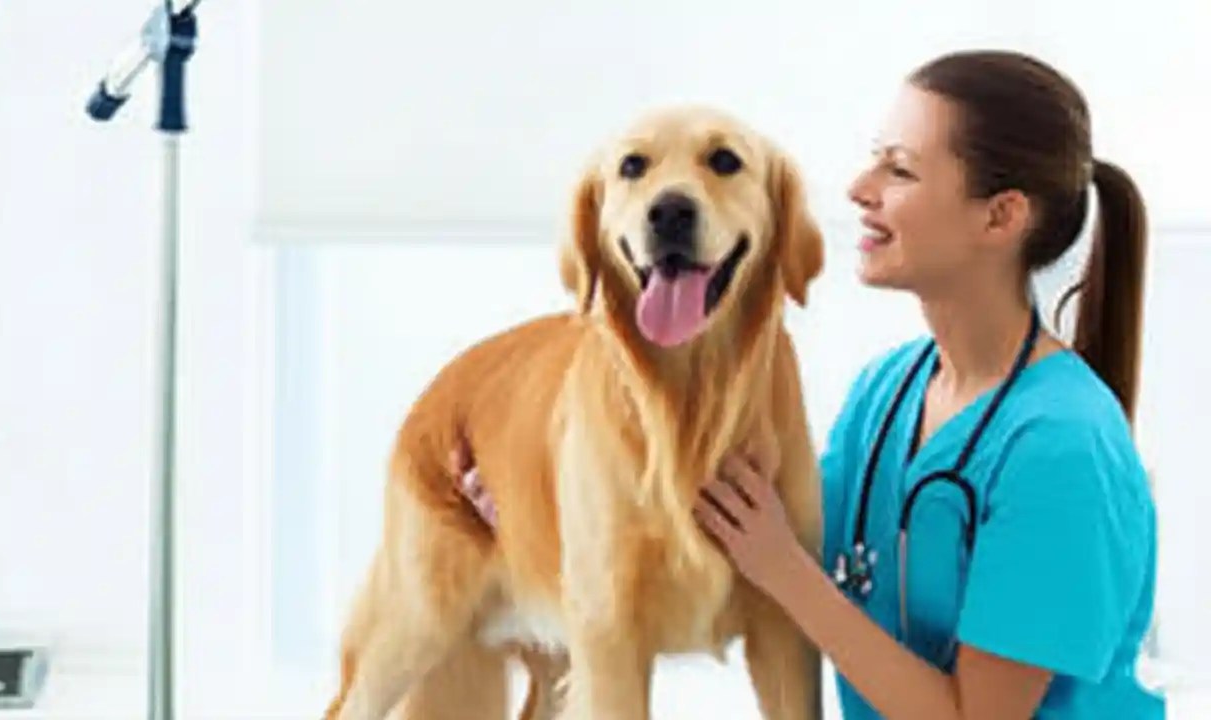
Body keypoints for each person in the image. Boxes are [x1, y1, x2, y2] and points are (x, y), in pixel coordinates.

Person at [454, 49, 1165, 719]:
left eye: (900, 170)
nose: (859, 190)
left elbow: (971, 713)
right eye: (872, 161)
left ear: (1000, 215)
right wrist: (538, 525)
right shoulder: (887, 392)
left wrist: (785, 572)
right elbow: (733, 537)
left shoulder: (1063, 447)